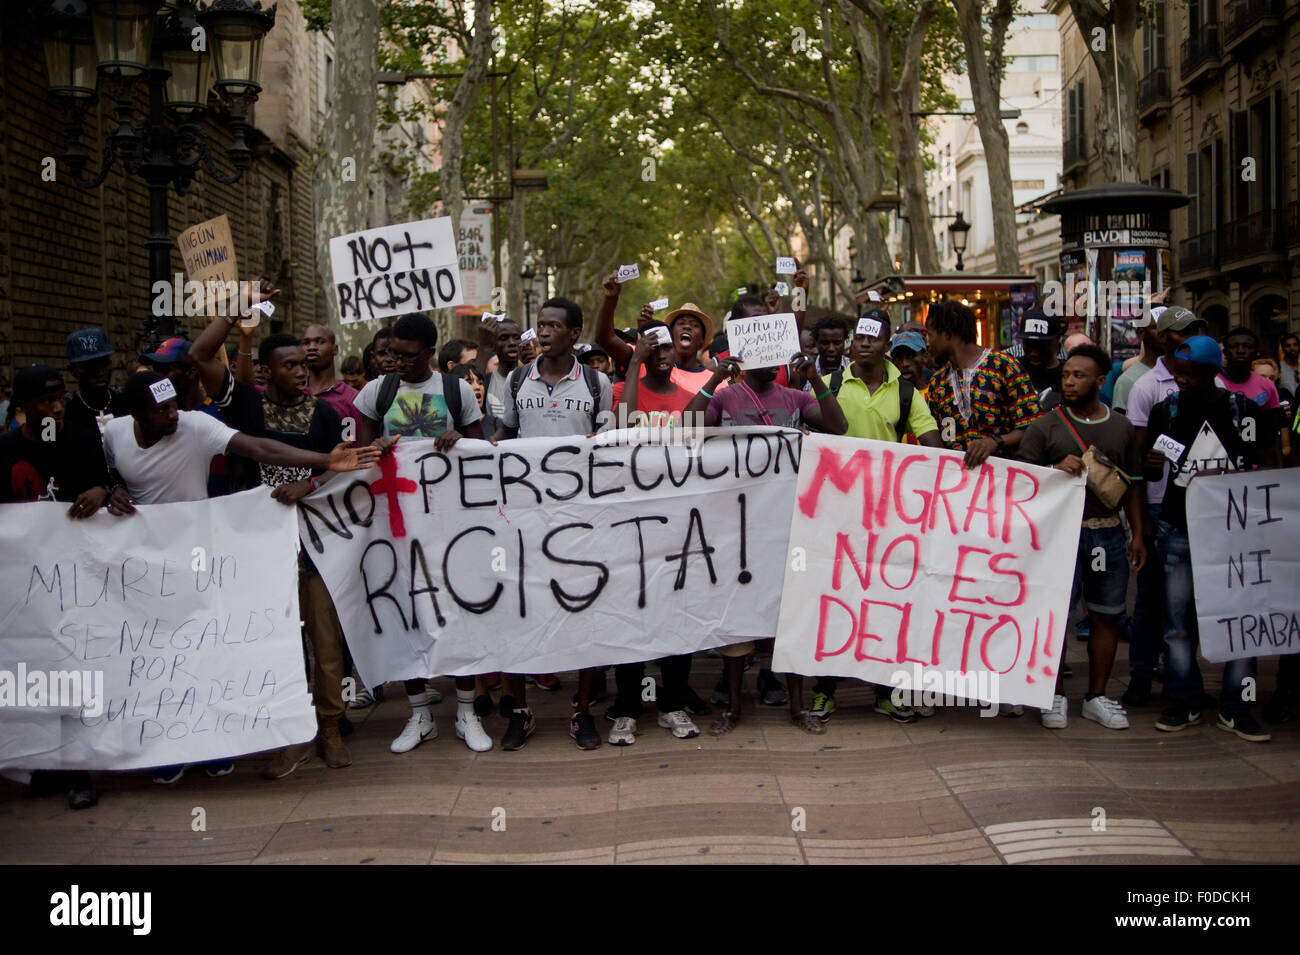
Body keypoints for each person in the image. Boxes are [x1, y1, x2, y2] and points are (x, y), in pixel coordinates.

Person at [101, 370, 379, 782]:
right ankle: (182, 742)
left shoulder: (197, 425)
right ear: (137, 414)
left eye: (177, 405)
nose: (176, 415)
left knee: (296, 641)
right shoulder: (113, 434)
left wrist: (321, 466)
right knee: (171, 654)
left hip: (241, 553)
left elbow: (261, 449)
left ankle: (314, 729)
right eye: (163, 410)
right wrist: (108, 487)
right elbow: (100, 473)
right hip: (159, 566)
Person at [687, 349, 847, 736]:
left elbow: (838, 427)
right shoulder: (726, 396)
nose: (766, 360)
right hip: (734, 524)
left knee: (788, 613)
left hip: (786, 524)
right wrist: (714, 380)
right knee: (736, 615)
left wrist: (815, 378)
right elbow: (686, 426)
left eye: (772, 352)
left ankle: (796, 706)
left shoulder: (796, 398)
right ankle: (735, 709)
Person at [223, 332, 361, 780]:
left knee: (325, 639)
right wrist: (242, 331)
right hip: (262, 549)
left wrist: (310, 484)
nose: (301, 372)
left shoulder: (323, 413)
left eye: (304, 364)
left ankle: (330, 728)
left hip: (316, 544)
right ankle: (290, 735)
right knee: (280, 643)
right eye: (290, 366)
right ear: (266, 370)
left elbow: (342, 471)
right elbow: (211, 364)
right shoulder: (247, 409)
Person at [354, 313, 489, 754]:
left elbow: (482, 454)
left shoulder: (455, 391)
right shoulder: (378, 391)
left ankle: (467, 711)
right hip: (398, 527)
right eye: (393, 354)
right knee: (406, 612)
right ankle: (419, 713)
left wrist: (459, 439)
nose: (398, 363)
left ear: (431, 354)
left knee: (460, 610)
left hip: (451, 525)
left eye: (409, 356)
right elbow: (359, 458)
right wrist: (376, 449)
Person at [1141, 337, 1278, 742]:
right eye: (1177, 370)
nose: (1181, 378)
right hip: (1178, 527)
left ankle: (1237, 707)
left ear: (1209, 372)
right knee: (1178, 623)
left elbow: (1267, 466)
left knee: (1241, 617)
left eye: (1191, 372)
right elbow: (1152, 471)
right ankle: (1184, 701)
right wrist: (1151, 465)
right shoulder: (1166, 411)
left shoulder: (1244, 412)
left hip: (1234, 532)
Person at [811, 312, 943, 725]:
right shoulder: (830, 384)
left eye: (875, 338)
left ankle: (886, 693)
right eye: (860, 338)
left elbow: (933, 444)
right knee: (835, 602)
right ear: (851, 344)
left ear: (887, 345)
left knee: (886, 604)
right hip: (835, 516)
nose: (865, 344)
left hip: (888, 520)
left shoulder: (906, 393)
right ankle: (824, 691)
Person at [493, 297, 613, 750]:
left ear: (574, 335)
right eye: (540, 324)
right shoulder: (518, 379)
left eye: (553, 326)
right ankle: (519, 711)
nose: (542, 332)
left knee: (583, 609)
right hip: (524, 517)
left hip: (579, 519)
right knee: (519, 608)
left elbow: (607, 444)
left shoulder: (598, 383)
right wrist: (467, 451)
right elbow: (505, 437)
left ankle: (582, 712)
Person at [0, 365, 114, 811]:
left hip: (75, 579)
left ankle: (78, 770)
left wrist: (101, 492)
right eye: (45, 401)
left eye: (59, 398)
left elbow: (110, 483)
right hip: (23, 583)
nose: (55, 407)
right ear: (22, 408)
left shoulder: (83, 439)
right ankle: (43, 764)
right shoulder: (5, 450)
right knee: (33, 672)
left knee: (73, 668)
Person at [1019, 345, 1146, 731]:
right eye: (1066, 375)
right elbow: (1021, 479)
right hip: (1060, 538)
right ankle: (1052, 695)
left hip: (1106, 535)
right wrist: (1053, 468)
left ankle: (1096, 697)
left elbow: (1134, 487)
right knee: (1055, 619)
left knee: (1106, 616)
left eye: (1079, 375)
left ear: (1101, 381)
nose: (1069, 381)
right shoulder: (1047, 425)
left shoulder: (1120, 427)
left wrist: (1138, 534)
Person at [604, 324, 705, 745]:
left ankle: (673, 706)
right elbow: (623, 427)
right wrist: (633, 368)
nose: (663, 353)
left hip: (676, 524)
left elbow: (703, 446)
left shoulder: (686, 398)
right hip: (629, 523)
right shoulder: (623, 391)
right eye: (654, 347)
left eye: (667, 347)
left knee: (675, 616)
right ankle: (627, 709)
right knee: (632, 618)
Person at [1122, 305, 1209, 706]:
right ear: (1161, 336)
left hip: (1207, 509)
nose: (1184, 338)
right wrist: (1142, 522)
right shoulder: (1145, 387)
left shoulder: (1214, 386)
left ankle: (1184, 681)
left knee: (1189, 603)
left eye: (1193, 331)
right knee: (1154, 597)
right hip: (1161, 508)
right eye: (1178, 332)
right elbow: (1138, 460)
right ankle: (1141, 675)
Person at [923, 300, 1040, 469]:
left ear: (947, 334)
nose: (928, 342)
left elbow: (1033, 427)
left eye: (930, 334)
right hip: (955, 483)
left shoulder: (1004, 366)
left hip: (1002, 480)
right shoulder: (937, 381)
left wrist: (995, 442)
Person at [64, 328, 129, 437]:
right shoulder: (68, 410)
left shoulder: (125, 402)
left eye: (104, 364)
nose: (99, 372)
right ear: (73, 372)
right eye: (90, 366)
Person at [302, 324, 360, 434]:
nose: (311, 347)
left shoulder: (352, 399)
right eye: (306, 343)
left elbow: (352, 444)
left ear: (335, 349)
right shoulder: (294, 395)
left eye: (320, 341)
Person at [1218, 327, 1281, 411]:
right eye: (1234, 346)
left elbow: (1274, 422)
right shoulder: (1214, 382)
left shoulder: (1267, 385)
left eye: (1247, 346)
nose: (1240, 351)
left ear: (1256, 352)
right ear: (1225, 352)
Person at [1016, 308, 1064, 411]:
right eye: (1030, 344)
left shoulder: (1069, 374)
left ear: (1057, 341)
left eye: (1042, 346)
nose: (1034, 353)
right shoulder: (1013, 370)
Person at [478, 317, 523, 420]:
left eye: (516, 338)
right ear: (493, 345)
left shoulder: (531, 379)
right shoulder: (487, 382)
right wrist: (483, 347)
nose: (512, 343)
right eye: (503, 338)